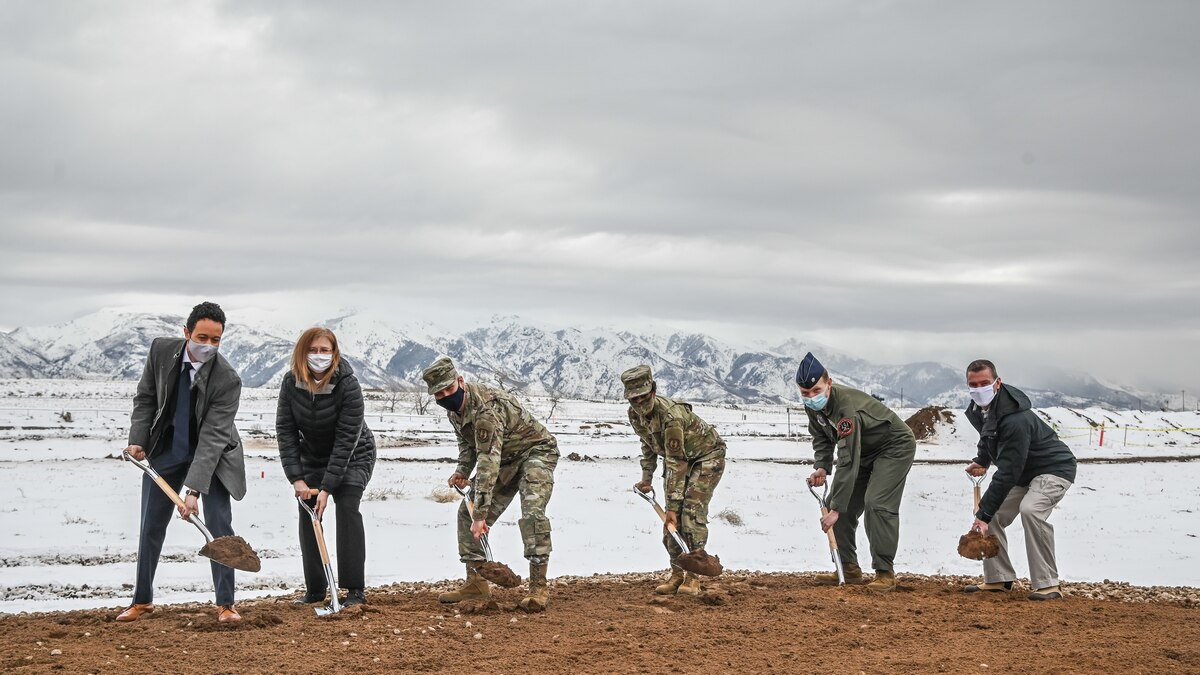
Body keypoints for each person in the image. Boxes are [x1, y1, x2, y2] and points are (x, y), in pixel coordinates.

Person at [118, 301, 246, 623]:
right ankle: (142, 601)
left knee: (218, 526)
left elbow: (214, 437)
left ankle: (226, 604)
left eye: (216, 340)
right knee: (151, 524)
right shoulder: (161, 352)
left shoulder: (227, 379)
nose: (208, 345)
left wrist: (193, 490)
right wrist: (139, 440)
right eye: (202, 337)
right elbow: (146, 398)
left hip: (213, 456)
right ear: (186, 332)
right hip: (167, 448)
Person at [423, 357, 559, 611]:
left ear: (460, 381)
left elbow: (488, 463)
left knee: (532, 514)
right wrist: (462, 470)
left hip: (536, 453)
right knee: (467, 513)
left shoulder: (486, 409)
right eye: (438, 394)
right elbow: (469, 444)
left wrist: (482, 514)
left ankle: (538, 587)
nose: (445, 396)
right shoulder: (456, 411)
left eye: (449, 390)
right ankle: (476, 583)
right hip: (505, 459)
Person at [799, 352, 916, 593]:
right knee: (835, 502)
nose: (811, 397)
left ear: (828, 384)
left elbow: (848, 460)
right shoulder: (813, 406)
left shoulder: (846, 410)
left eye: (816, 391)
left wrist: (837, 510)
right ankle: (848, 568)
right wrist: (821, 465)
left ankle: (885, 572)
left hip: (892, 447)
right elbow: (821, 436)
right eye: (805, 393)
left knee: (876, 503)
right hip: (864, 449)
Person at [277, 327, 377, 607]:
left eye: (325, 350)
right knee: (309, 509)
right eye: (313, 350)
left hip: (354, 453)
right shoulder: (290, 383)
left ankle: (354, 589)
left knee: (347, 505)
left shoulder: (348, 384)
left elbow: (347, 438)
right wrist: (297, 479)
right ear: (302, 353)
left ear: (334, 354)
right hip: (313, 454)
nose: (319, 356)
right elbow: (285, 431)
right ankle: (315, 589)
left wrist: (328, 487)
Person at [962, 359, 1077, 601]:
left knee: (1030, 509)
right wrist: (982, 460)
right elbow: (988, 437)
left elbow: (1008, 472)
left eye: (984, 383)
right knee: (991, 515)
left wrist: (981, 516)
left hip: (1053, 468)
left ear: (997, 382)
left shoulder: (1015, 418)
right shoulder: (978, 410)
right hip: (1024, 472)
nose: (979, 389)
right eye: (974, 384)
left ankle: (1048, 583)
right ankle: (999, 578)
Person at [623, 365, 726, 596]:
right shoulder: (635, 415)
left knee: (689, 514)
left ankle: (693, 577)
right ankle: (677, 574)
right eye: (633, 400)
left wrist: (672, 507)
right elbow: (648, 446)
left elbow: (676, 463)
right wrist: (646, 478)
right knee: (670, 522)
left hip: (706, 457)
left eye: (643, 397)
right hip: (679, 461)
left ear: (653, 391)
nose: (639, 404)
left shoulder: (671, 417)